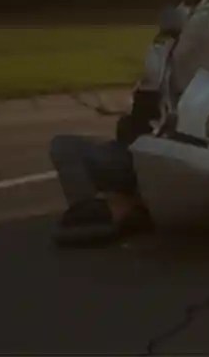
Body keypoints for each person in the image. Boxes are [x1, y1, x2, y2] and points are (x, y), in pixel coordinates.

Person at [48, 93, 156, 247]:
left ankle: (123, 210)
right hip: (131, 156)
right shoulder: (159, 81)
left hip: (150, 160)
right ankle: (91, 211)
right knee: (63, 146)